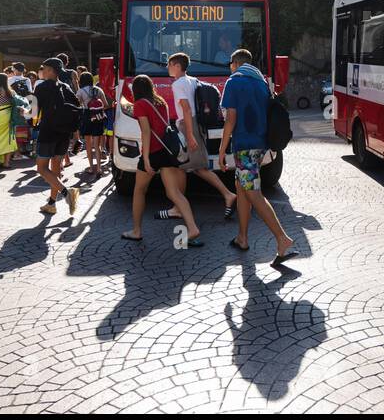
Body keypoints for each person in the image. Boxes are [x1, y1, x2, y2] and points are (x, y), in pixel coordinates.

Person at [218, 48, 295, 262]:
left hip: (244, 145)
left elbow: (230, 119)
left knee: (253, 192)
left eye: (230, 64)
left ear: (235, 63)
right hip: (260, 145)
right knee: (242, 188)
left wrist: (222, 150)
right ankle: (242, 237)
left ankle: (282, 238)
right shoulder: (261, 82)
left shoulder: (233, 82)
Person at [120, 75, 203, 246]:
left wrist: (146, 159)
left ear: (136, 89)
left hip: (152, 152)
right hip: (166, 151)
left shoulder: (140, 105)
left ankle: (136, 231)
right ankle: (193, 227)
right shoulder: (160, 101)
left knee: (139, 191)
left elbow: (146, 132)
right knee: (174, 193)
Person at [166, 52, 237, 220]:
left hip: (188, 125)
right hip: (197, 124)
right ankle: (178, 206)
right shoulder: (192, 80)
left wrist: (189, 135)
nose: (167, 68)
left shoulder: (178, 84)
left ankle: (228, 195)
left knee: (197, 167)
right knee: (185, 166)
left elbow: (186, 109)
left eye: (169, 65)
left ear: (177, 66)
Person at [33, 58, 80, 217]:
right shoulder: (66, 87)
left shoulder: (41, 87)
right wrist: (75, 135)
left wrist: (24, 111)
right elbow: (76, 109)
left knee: (42, 168)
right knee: (55, 169)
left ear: (52, 70)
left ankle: (67, 194)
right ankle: (52, 204)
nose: (42, 71)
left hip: (48, 132)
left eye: (44, 69)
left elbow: (33, 112)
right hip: (64, 134)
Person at [0, 73, 28, 170]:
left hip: (0, 115)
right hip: (10, 115)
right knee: (8, 139)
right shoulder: (11, 91)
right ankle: (6, 163)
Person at [76, 72, 108, 180]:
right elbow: (106, 104)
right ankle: (99, 168)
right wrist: (97, 110)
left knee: (88, 144)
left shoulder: (80, 91)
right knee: (97, 145)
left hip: (86, 117)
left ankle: (91, 167)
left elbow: (77, 104)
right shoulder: (99, 90)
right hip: (98, 118)